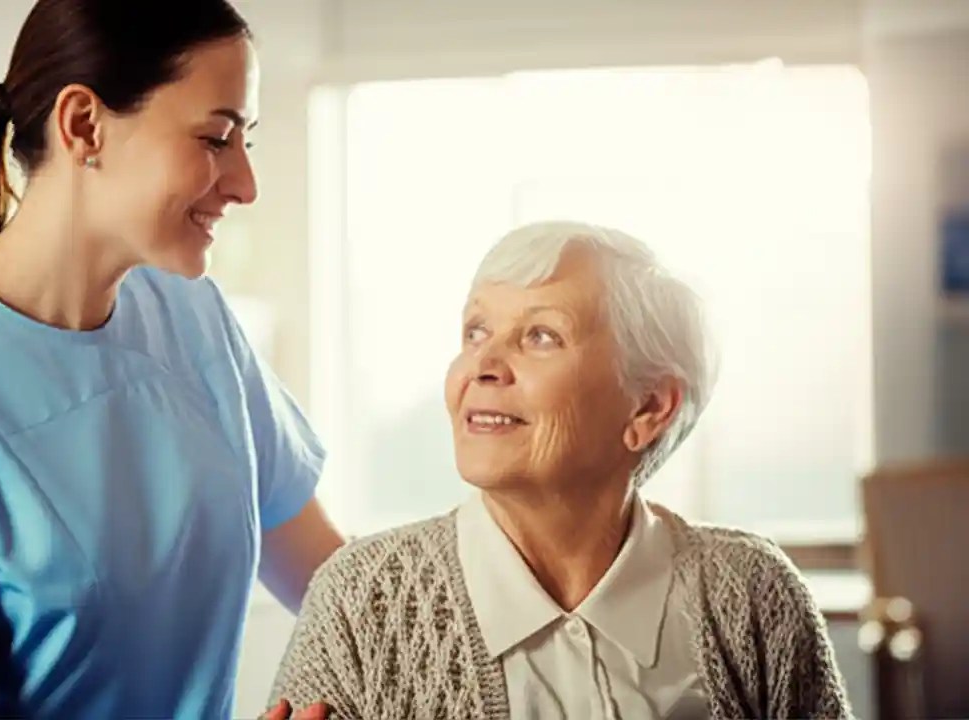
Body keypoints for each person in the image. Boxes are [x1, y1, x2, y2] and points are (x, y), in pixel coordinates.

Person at [0, 1, 342, 718]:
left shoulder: (198, 320)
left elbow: (342, 593)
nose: (245, 183)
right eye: (218, 137)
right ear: (83, 126)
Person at [268, 221, 852, 719]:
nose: (483, 365)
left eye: (540, 336)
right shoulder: (358, 600)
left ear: (649, 407)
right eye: (476, 331)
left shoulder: (754, 595)